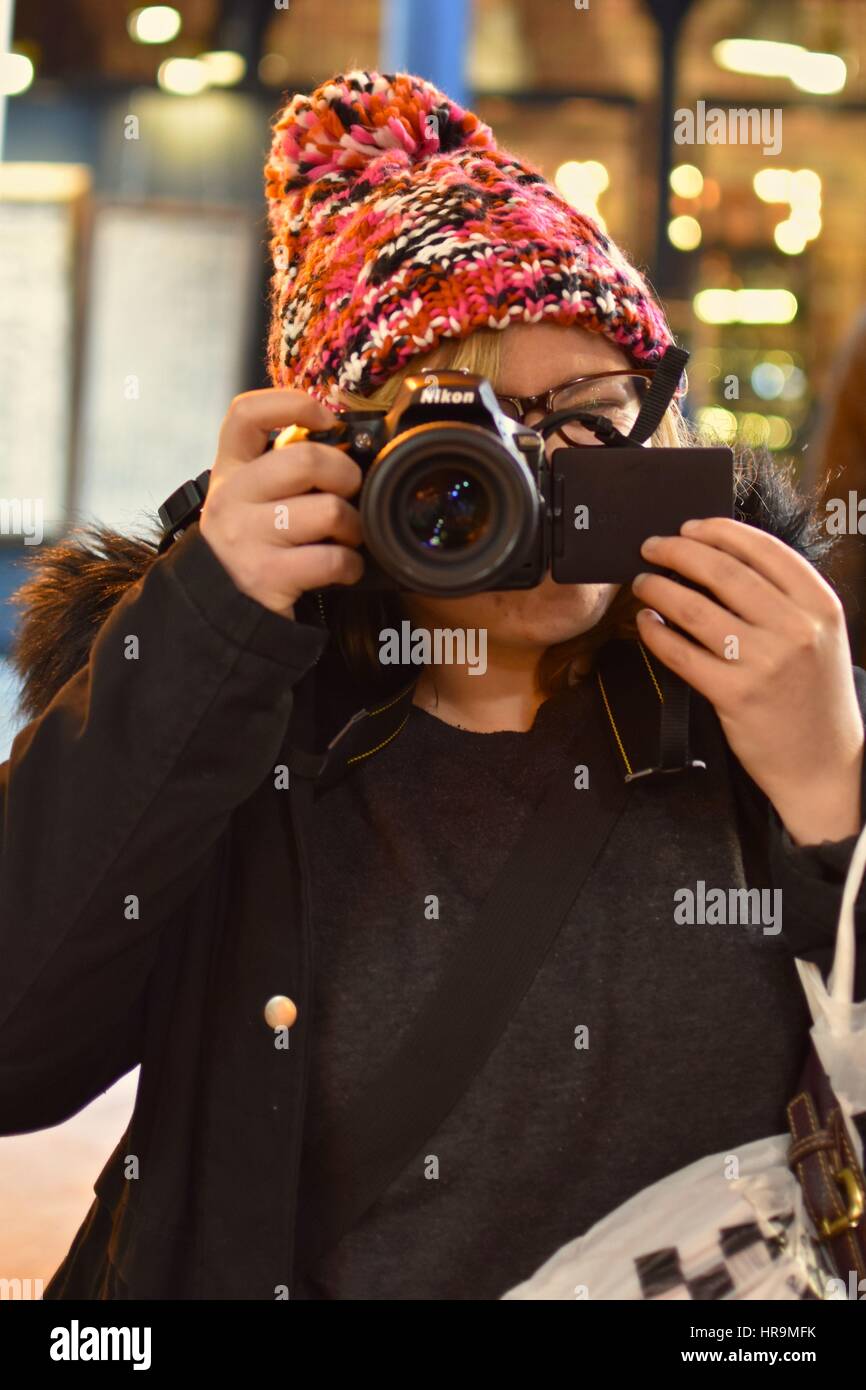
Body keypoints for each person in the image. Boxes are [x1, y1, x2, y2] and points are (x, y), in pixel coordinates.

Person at [1, 69, 865, 1301]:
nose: (532, 479)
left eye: (585, 416)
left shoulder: (759, 697)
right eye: (471, 433)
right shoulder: (245, 727)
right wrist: (201, 631)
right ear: (343, 459)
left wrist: (834, 790)